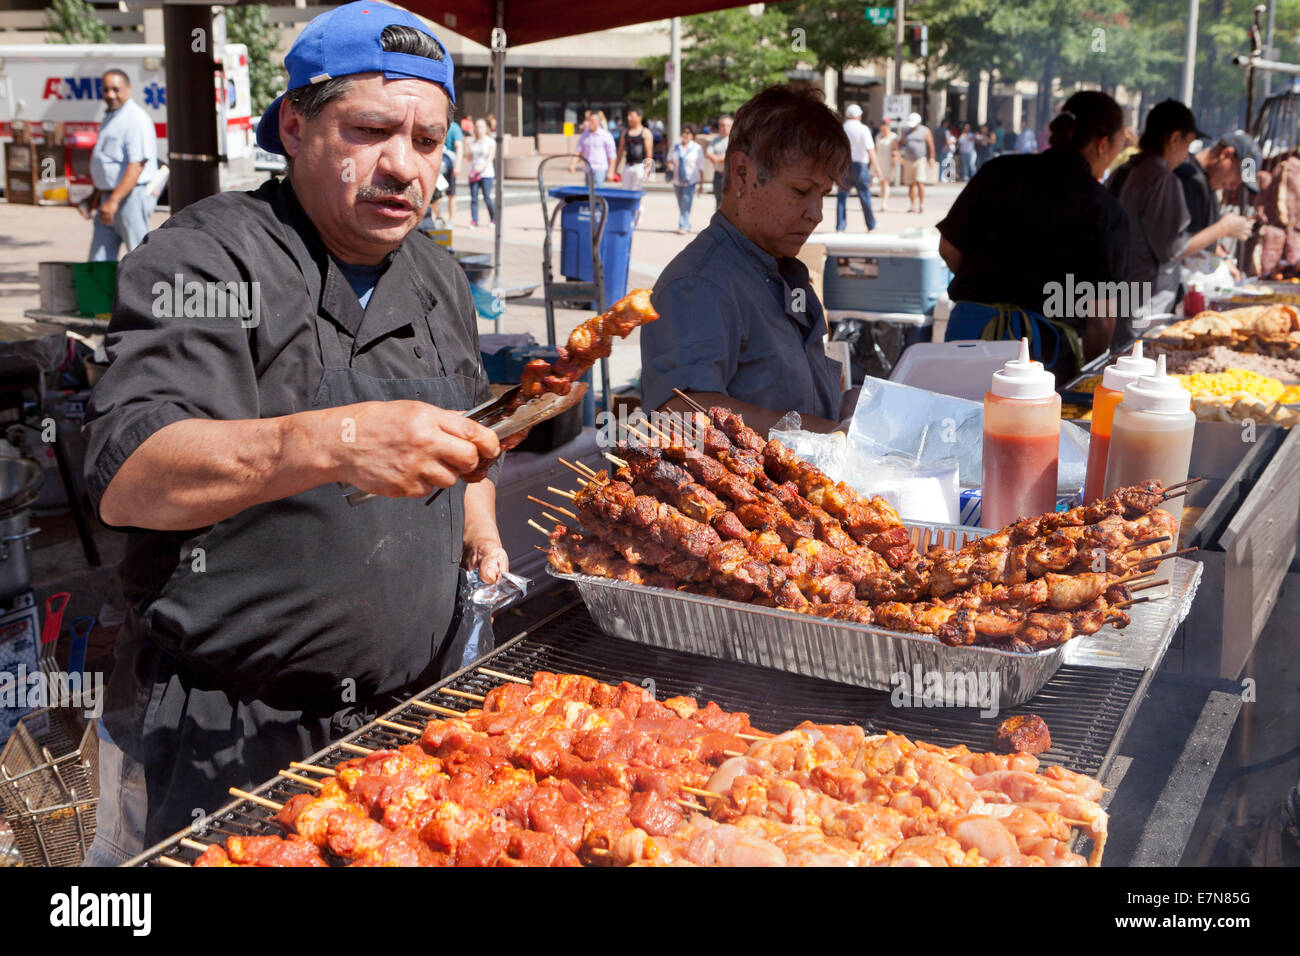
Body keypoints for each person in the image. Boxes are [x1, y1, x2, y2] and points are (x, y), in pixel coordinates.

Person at [79, 1, 505, 865]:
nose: (403, 166)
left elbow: (466, 437)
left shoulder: (434, 274)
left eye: (427, 141)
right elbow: (133, 479)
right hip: (228, 735)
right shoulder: (203, 260)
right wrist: (335, 443)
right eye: (371, 130)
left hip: (413, 717)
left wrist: (478, 522)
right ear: (296, 125)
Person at [641, 85, 854, 435]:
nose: (815, 214)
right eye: (801, 191)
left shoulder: (777, 265)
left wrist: (846, 406)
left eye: (823, 195)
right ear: (742, 174)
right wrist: (824, 434)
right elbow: (681, 413)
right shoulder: (699, 284)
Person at [937, 90, 1131, 382]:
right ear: (1102, 145)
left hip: (969, 341)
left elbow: (948, 250)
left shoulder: (998, 171)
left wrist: (989, 284)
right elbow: (1102, 317)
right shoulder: (1105, 209)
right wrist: (1091, 375)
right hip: (1044, 359)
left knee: (959, 422)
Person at [1108, 100, 1253, 346]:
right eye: (1187, 144)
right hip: (1146, 303)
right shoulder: (1164, 179)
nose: (1187, 153)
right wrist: (1223, 228)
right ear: (1174, 139)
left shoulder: (1128, 169)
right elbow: (1172, 249)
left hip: (1124, 295)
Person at [83, 69, 159, 260]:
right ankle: (101, 291)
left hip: (129, 199)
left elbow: (137, 166)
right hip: (109, 200)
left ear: (128, 89)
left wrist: (114, 201)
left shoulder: (135, 119)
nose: (110, 95)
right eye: (106, 90)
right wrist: (95, 196)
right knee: (98, 261)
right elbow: (107, 163)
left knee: (139, 258)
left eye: (116, 89)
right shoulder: (112, 117)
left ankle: (146, 290)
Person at [836, 103, 879, 232]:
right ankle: (870, 225)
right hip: (860, 166)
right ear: (860, 116)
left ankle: (840, 226)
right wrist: (877, 168)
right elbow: (870, 150)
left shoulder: (842, 128)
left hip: (844, 166)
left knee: (842, 198)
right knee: (865, 196)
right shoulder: (863, 129)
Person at [667, 123, 705, 234]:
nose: (685, 135)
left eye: (688, 133)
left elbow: (701, 167)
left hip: (690, 180)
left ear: (692, 135)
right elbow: (669, 159)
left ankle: (683, 225)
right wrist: (669, 165)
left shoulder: (697, 148)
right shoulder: (675, 147)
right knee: (680, 203)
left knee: (686, 202)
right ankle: (686, 222)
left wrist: (701, 184)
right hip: (677, 179)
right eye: (684, 132)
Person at [432, 108, 464, 222]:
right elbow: (459, 147)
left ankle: (446, 219)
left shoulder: (453, 127)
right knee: (448, 194)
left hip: (443, 165)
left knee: (438, 194)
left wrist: (458, 165)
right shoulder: (453, 127)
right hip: (443, 165)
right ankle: (444, 219)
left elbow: (459, 146)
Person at [899, 112, 934, 214]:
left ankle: (921, 205)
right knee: (910, 184)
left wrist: (931, 157)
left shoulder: (925, 131)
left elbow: (930, 145)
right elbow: (901, 142)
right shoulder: (905, 131)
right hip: (908, 160)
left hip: (920, 159)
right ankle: (912, 206)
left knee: (920, 182)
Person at [569, 111, 616, 183]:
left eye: (592, 121)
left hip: (600, 168)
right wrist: (573, 164)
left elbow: (612, 154)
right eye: (589, 121)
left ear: (598, 122)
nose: (590, 123)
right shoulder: (584, 135)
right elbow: (579, 150)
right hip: (587, 168)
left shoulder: (606, 135)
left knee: (597, 192)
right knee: (588, 192)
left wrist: (611, 171)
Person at [615, 106, 654, 192]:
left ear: (639, 117)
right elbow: (620, 151)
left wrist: (648, 169)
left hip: (639, 166)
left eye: (632, 116)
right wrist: (615, 168)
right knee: (625, 190)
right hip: (628, 165)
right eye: (628, 116)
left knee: (636, 191)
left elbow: (649, 152)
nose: (629, 118)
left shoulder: (645, 132)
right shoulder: (625, 132)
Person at [468, 117, 496, 226]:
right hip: (473, 173)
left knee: (487, 197)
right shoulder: (473, 141)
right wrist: (468, 147)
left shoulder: (490, 141)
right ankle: (474, 220)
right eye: (477, 126)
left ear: (486, 128)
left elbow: (490, 157)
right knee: (474, 198)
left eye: (481, 126)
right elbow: (469, 158)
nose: (479, 128)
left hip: (486, 173)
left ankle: (493, 218)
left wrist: (482, 167)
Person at [706, 113, 733, 209]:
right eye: (722, 125)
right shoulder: (715, 140)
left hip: (731, 175)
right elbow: (708, 153)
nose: (725, 128)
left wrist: (719, 158)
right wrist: (718, 158)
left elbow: (732, 156)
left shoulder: (734, 140)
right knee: (718, 200)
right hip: (718, 175)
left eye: (727, 125)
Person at [875, 118, 896, 212]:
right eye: (883, 124)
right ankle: (883, 200)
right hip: (879, 162)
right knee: (882, 183)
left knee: (885, 182)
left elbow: (895, 151)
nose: (884, 126)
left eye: (886, 124)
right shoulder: (878, 136)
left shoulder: (893, 136)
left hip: (888, 162)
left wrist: (893, 163)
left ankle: (884, 203)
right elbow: (875, 149)